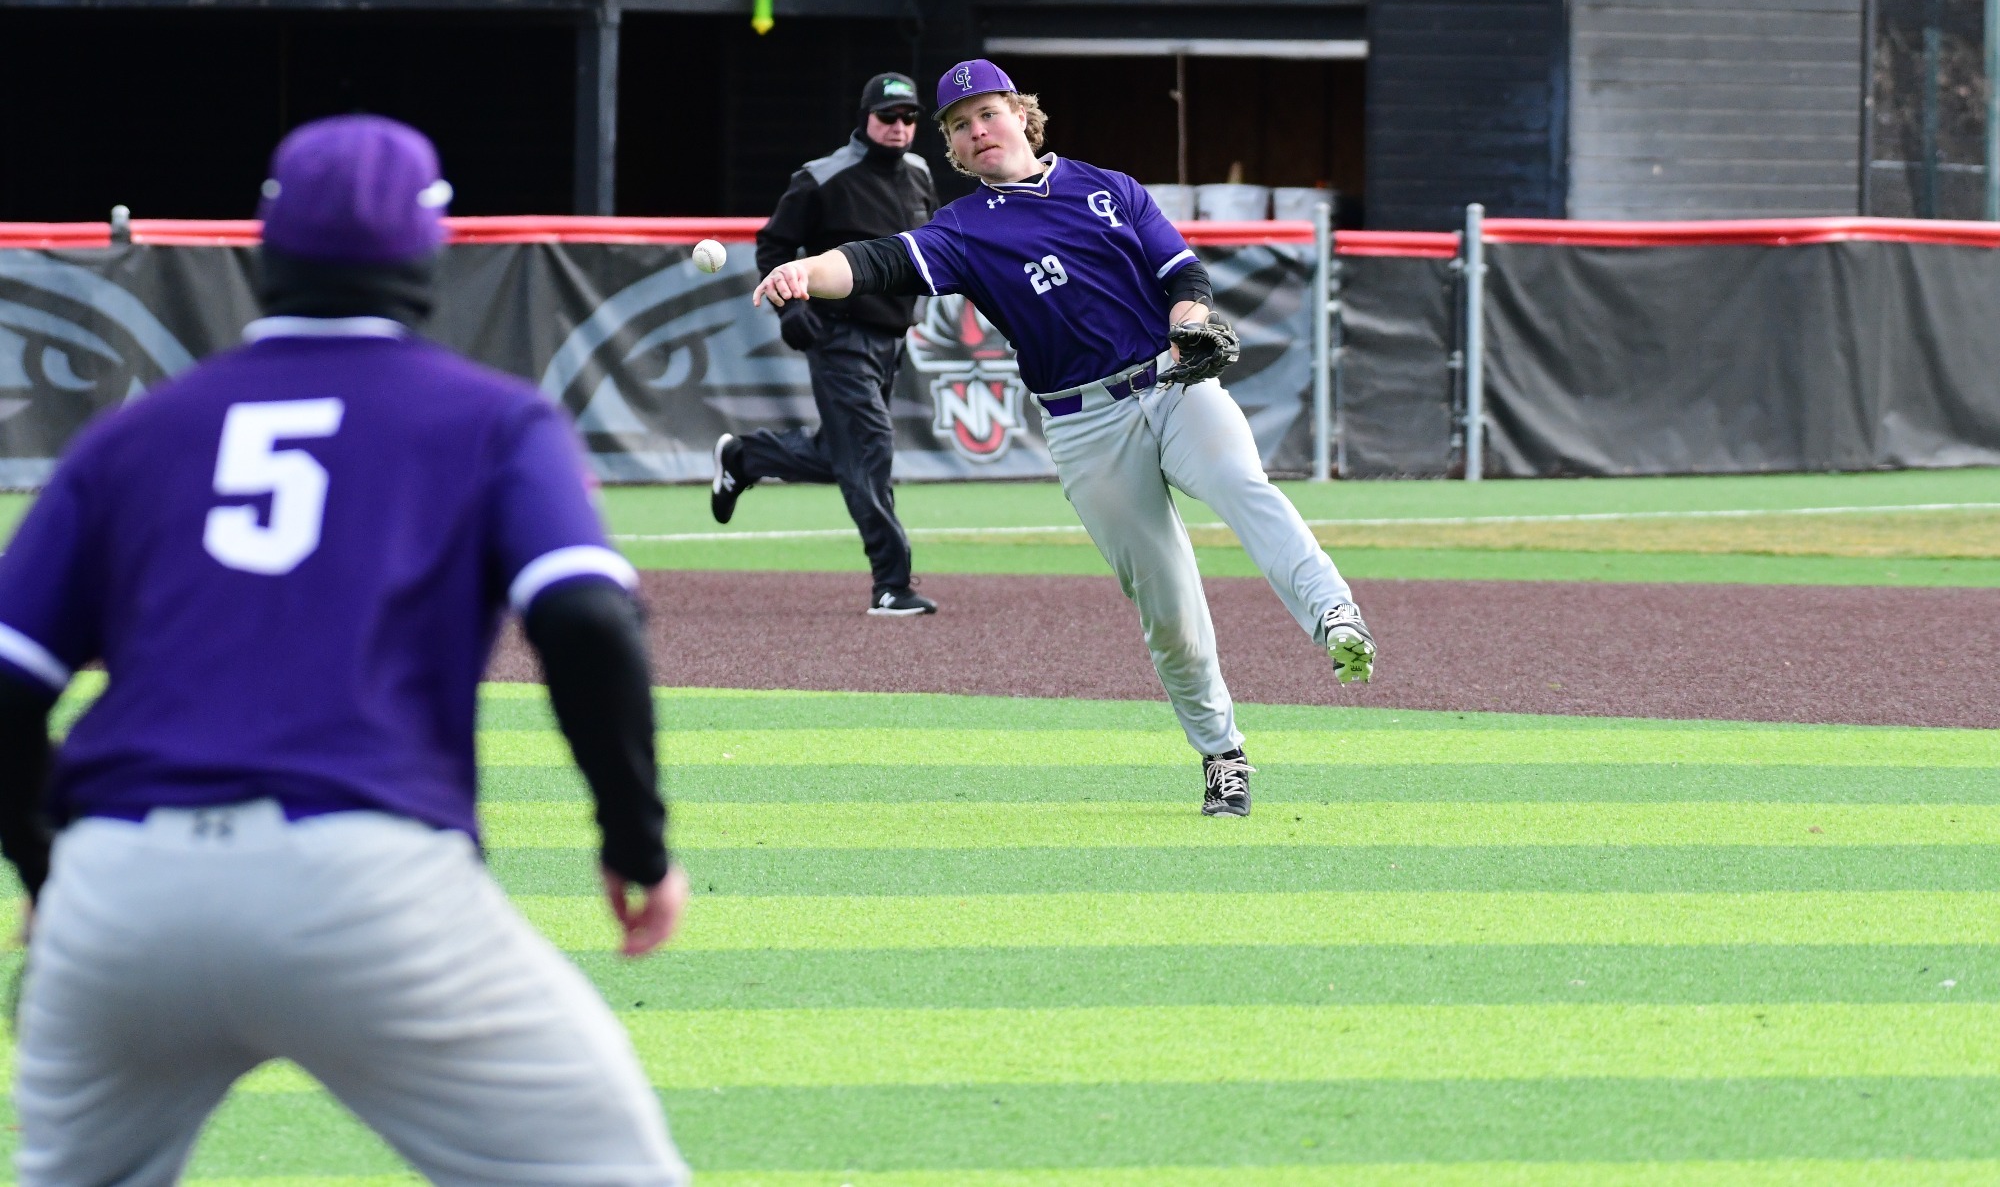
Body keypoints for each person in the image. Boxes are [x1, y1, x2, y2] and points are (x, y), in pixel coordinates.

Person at [0, 115, 692, 1185]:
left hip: (121, 892)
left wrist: (56, 870)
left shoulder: (132, 435)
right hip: (363, 876)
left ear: (267, 247)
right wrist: (635, 843)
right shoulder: (495, 420)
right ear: (430, 250)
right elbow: (588, 620)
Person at [752, 60, 1376, 818]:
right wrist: (806, 271)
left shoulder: (1110, 188)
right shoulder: (965, 229)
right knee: (1167, 605)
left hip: (1173, 383)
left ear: (1021, 114)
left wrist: (1190, 325)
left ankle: (1334, 615)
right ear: (952, 146)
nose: (977, 130)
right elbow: (878, 260)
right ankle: (1222, 754)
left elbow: (1184, 277)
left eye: (988, 112)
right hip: (1085, 423)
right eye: (959, 125)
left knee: (1244, 485)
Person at [712, 71, 942, 616]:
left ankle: (745, 457)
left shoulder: (918, 173)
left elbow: (931, 245)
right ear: (865, 118)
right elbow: (774, 245)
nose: (900, 126)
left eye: (910, 117)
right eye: (888, 116)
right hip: (838, 334)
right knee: (871, 449)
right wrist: (791, 307)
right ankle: (892, 583)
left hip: (891, 337)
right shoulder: (822, 177)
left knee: (843, 453)